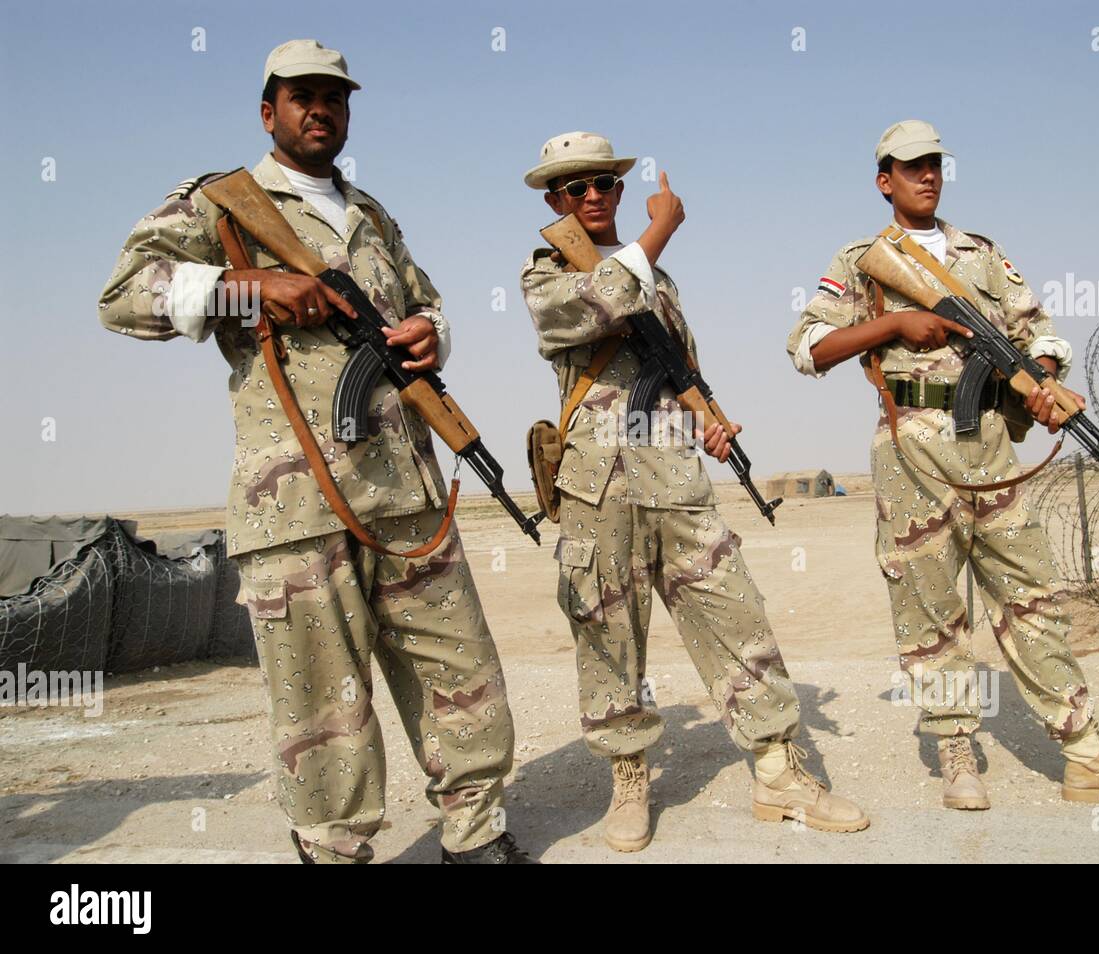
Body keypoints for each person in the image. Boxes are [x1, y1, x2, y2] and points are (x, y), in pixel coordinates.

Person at [99, 39, 530, 863]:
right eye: (301, 96)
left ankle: (476, 836)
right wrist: (251, 286)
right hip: (293, 500)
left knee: (460, 670)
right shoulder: (220, 203)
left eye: (334, 97)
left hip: (406, 488)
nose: (320, 109)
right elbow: (123, 298)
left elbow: (429, 303)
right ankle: (334, 851)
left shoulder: (372, 215)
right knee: (322, 701)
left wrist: (429, 335)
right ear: (269, 111)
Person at [788, 119, 1099, 810]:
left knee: (1032, 597)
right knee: (930, 607)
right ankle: (955, 751)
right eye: (911, 167)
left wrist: (1048, 377)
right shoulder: (863, 259)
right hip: (910, 446)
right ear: (885, 180)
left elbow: (1036, 329)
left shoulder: (983, 253)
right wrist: (893, 325)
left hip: (992, 446)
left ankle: (1085, 752)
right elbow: (808, 347)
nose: (927, 176)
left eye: (935, 164)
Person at [520, 131, 869, 852]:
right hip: (598, 485)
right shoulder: (545, 274)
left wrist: (709, 422)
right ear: (554, 200)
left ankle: (777, 771)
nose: (592, 196)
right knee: (607, 631)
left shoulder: (660, 283)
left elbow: (678, 371)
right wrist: (661, 226)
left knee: (735, 616)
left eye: (604, 184)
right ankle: (628, 777)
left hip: (675, 478)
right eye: (575, 187)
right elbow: (593, 307)